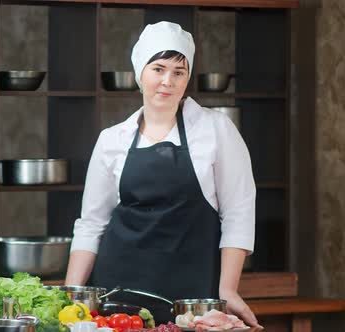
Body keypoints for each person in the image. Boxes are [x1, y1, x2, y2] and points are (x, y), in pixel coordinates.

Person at [64, 21, 262, 329]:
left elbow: (238, 212)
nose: (167, 81)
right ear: (140, 73)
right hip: (119, 295)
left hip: (191, 297)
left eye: (178, 72)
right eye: (158, 69)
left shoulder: (216, 130)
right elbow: (91, 224)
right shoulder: (112, 139)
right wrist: (71, 298)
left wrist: (228, 289)